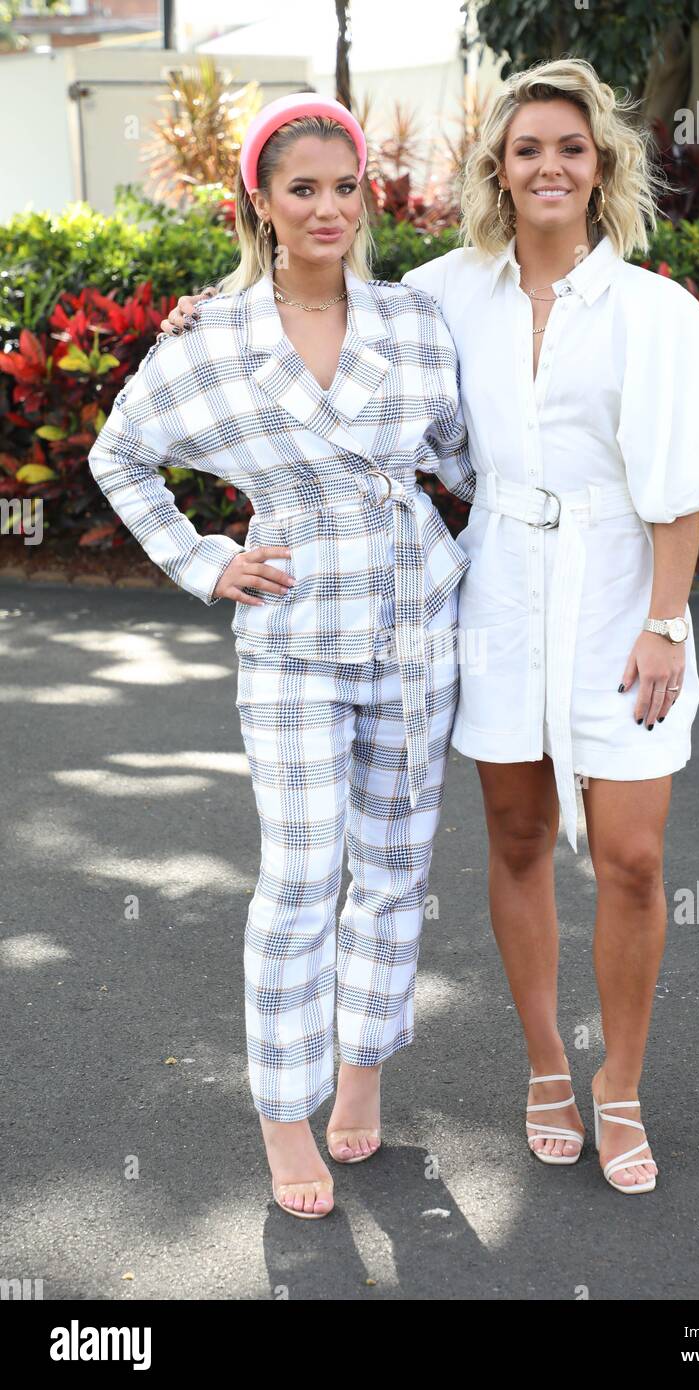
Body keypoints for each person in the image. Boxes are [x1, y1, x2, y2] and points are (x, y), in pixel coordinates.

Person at [165, 59, 699, 1195]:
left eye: (569, 149)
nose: (547, 166)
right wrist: (205, 315)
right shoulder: (441, 293)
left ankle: (617, 1085)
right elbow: (315, 295)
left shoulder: (652, 310)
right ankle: (543, 1065)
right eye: (526, 148)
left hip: (623, 599)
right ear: (498, 167)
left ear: (601, 169)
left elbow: (678, 486)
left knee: (629, 856)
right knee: (519, 838)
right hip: (487, 593)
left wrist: (666, 623)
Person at [89, 93, 476, 1219]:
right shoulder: (209, 341)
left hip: (414, 624)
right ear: (259, 201)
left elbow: (463, 457)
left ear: (367, 195)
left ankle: (362, 1074)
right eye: (300, 188)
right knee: (302, 879)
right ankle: (282, 1114)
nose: (326, 209)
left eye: (344, 187)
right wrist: (206, 560)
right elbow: (122, 459)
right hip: (296, 636)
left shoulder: (411, 322)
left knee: (396, 866)